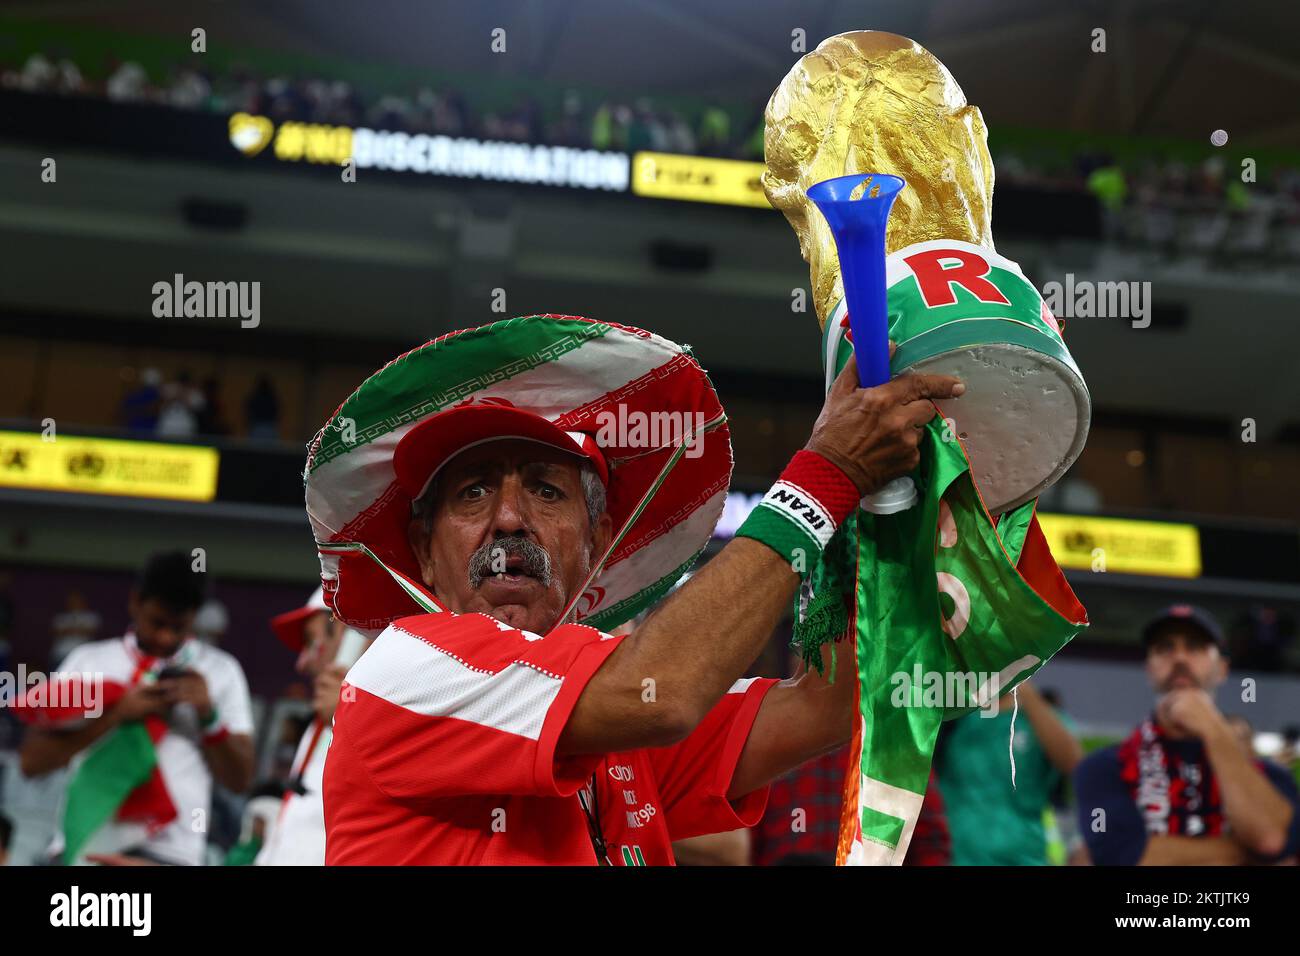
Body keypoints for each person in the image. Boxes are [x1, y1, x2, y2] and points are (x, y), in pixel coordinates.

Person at [315, 314, 963, 865]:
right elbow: (669, 693)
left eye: (545, 490)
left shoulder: (613, 705)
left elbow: (828, 704)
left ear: (596, 540)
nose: (509, 517)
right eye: (473, 491)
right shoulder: (404, 670)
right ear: (425, 554)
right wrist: (828, 475)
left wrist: (874, 511)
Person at [18, 552, 254, 865]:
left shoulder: (220, 671)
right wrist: (116, 714)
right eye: (157, 623)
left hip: (173, 854)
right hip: (87, 846)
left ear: (194, 617)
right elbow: (32, 762)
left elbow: (240, 781)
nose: (165, 636)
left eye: (178, 627)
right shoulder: (88, 662)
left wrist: (208, 717)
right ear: (134, 603)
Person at [1074, 605, 1299, 866]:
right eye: (1164, 648)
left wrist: (1212, 727)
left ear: (1223, 669)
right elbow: (1126, 858)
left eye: (1195, 647)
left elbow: (1270, 839)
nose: (1179, 658)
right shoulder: (1103, 768)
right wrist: (1247, 855)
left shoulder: (1270, 775)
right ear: (1149, 668)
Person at [256, 587, 370, 866]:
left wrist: (351, 717)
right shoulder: (318, 722)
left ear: (345, 632)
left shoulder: (385, 717)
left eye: (310, 641)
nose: (302, 663)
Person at [934, 679, 1082, 865]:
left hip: (1023, 857)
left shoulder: (1040, 716)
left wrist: (1025, 692)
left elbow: (1075, 764)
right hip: (955, 857)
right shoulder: (954, 715)